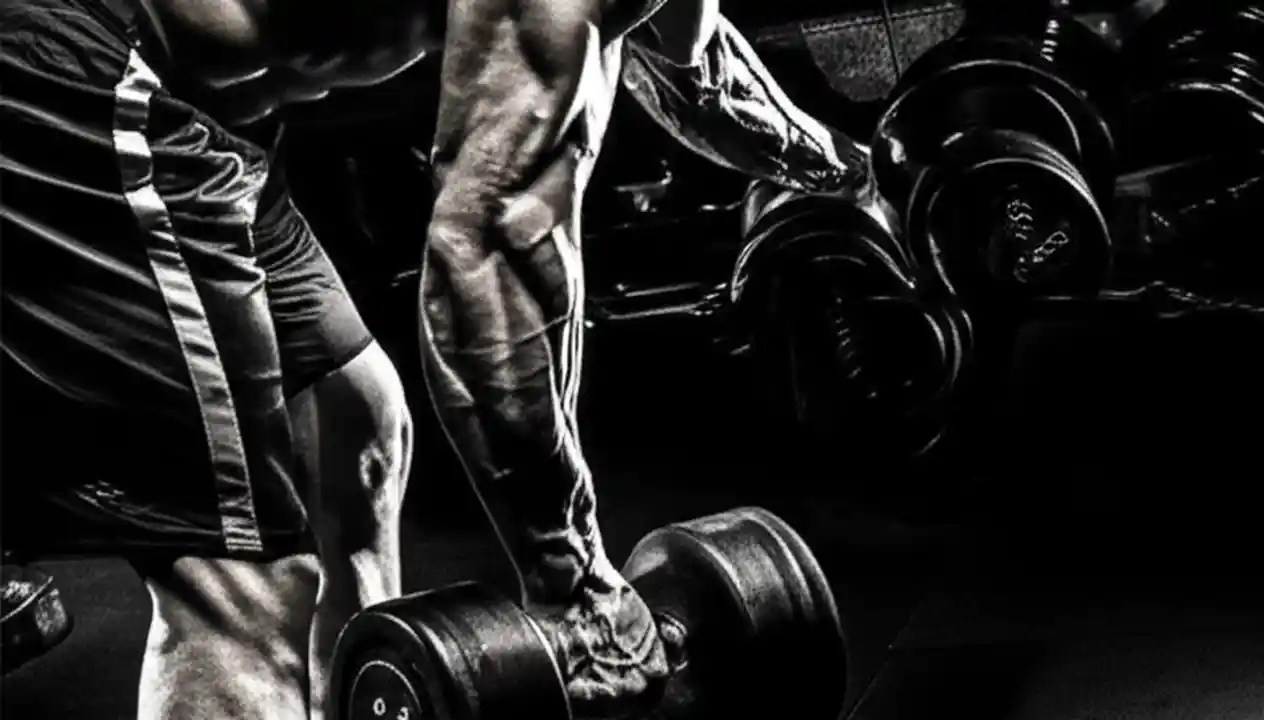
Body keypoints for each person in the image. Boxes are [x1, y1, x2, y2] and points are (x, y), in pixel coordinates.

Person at [0, 0, 869, 718]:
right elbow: (486, 257)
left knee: (358, 432)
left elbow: (696, 61)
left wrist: (846, 172)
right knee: (243, 586)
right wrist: (572, 584)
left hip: (209, 120)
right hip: (73, 65)